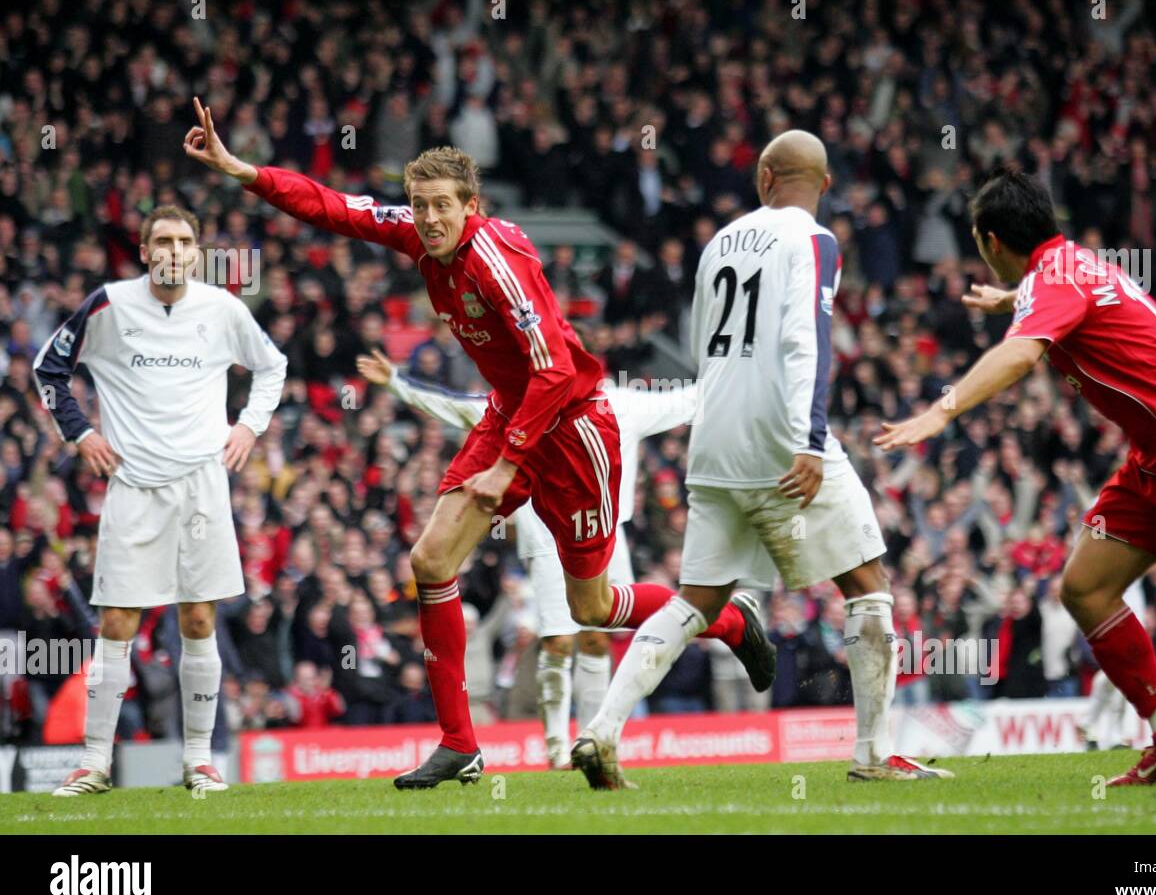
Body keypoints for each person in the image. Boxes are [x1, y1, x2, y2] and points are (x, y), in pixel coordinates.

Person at [184, 98, 774, 789]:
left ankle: (730, 618)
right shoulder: (420, 232)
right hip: (513, 412)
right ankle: (460, 742)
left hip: (574, 426)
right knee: (430, 558)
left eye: (441, 205)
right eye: (419, 205)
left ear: (470, 204)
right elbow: (332, 207)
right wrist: (241, 169)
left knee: (592, 608)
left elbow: (555, 368)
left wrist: (506, 462)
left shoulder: (495, 260)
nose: (428, 218)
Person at [876, 166, 1156, 786]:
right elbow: (1074, 307)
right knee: (1084, 587)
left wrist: (944, 410)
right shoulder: (1075, 264)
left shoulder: (1053, 280)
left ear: (992, 242)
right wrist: (1012, 300)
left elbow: (1022, 353)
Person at [571, 131, 952, 789]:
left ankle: (601, 730)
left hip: (714, 437)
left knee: (696, 599)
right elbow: (808, 337)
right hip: (780, 436)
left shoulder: (719, 241)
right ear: (824, 185)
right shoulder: (815, 240)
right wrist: (810, 439)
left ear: (765, 177)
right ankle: (873, 751)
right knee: (870, 586)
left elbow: (701, 343)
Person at [357, 348, 763, 767]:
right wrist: (397, 383)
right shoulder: (521, 402)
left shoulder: (622, 402)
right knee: (557, 640)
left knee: (596, 634)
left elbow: (689, 400)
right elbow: (457, 406)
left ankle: (593, 738)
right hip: (545, 534)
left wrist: (741, 370)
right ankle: (555, 748)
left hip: (604, 532)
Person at [34, 204, 287, 795]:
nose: (174, 250)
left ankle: (198, 759)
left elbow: (271, 367)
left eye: (184, 241)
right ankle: (95, 763)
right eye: (163, 241)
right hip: (134, 486)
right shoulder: (109, 304)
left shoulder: (222, 309)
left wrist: (249, 426)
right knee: (117, 622)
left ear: (197, 252)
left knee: (198, 618)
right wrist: (81, 432)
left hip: (202, 482)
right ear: (145, 251)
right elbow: (50, 371)